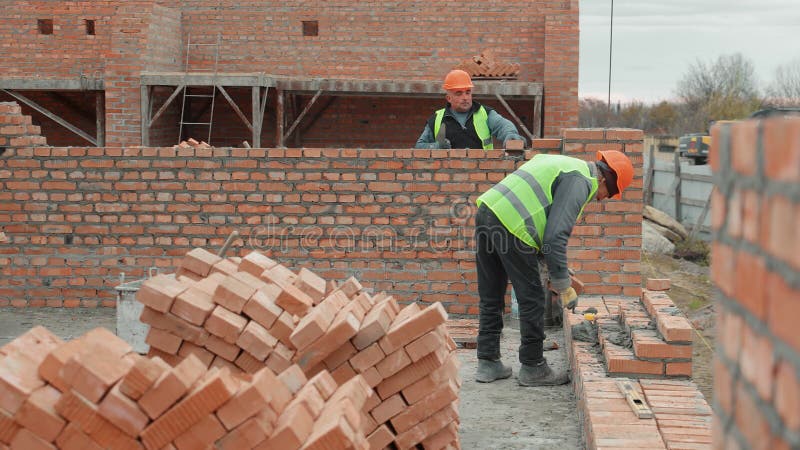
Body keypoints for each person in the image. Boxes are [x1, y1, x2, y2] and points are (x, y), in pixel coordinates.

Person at [473, 150, 634, 386]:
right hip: (513, 227)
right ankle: (533, 366)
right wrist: (563, 285)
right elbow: (554, 238)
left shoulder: (563, 163)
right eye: (608, 194)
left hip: (488, 212)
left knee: (491, 294)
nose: (601, 200)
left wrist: (554, 267)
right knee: (532, 299)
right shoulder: (581, 181)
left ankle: (488, 362)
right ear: (604, 180)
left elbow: (538, 216)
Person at [415, 69, 526, 149]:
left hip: (482, 175)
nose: (465, 98)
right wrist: (436, 146)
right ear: (449, 98)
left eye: (468, 92)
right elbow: (419, 146)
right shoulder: (437, 119)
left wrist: (511, 135)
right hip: (448, 179)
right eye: (459, 93)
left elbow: (503, 125)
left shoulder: (484, 114)